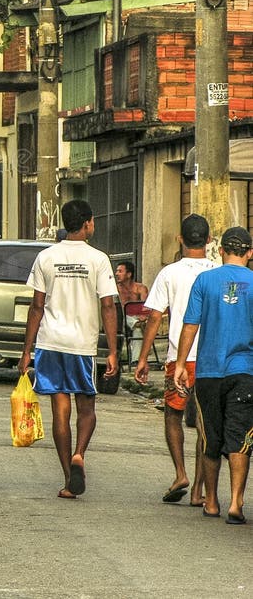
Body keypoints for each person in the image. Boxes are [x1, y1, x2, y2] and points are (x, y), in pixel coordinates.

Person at [18, 198, 118, 500]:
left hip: (50, 344)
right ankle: (79, 454)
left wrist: (27, 350)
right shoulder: (98, 259)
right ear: (87, 223)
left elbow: (36, 307)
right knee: (86, 407)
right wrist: (112, 349)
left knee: (60, 410)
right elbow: (108, 305)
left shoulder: (46, 257)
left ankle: (67, 480)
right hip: (82, 346)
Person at [134, 214, 216, 506]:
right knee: (206, 426)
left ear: (180, 239)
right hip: (210, 360)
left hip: (177, 361)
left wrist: (143, 358)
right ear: (209, 240)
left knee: (173, 415)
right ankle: (197, 490)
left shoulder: (169, 273)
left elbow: (154, 316)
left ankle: (180, 473)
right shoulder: (218, 272)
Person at [175, 226, 253, 525]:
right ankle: (236, 502)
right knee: (239, 438)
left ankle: (210, 501)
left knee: (210, 436)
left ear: (220, 251)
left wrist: (181, 364)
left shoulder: (204, 280)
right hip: (245, 372)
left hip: (208, 371)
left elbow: (191, 324)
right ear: (250, 252)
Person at [115, 260, 149, 364]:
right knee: (126, 317)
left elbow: (146, 307)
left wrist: (143, 317)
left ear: (129, 274)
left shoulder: (140, 288)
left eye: (120, 271)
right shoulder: (115, 289)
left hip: (138, 319)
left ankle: (135, 360)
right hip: (121, 320)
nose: (116, 274)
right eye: (117, 271)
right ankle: (136, 324)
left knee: (138, 330)